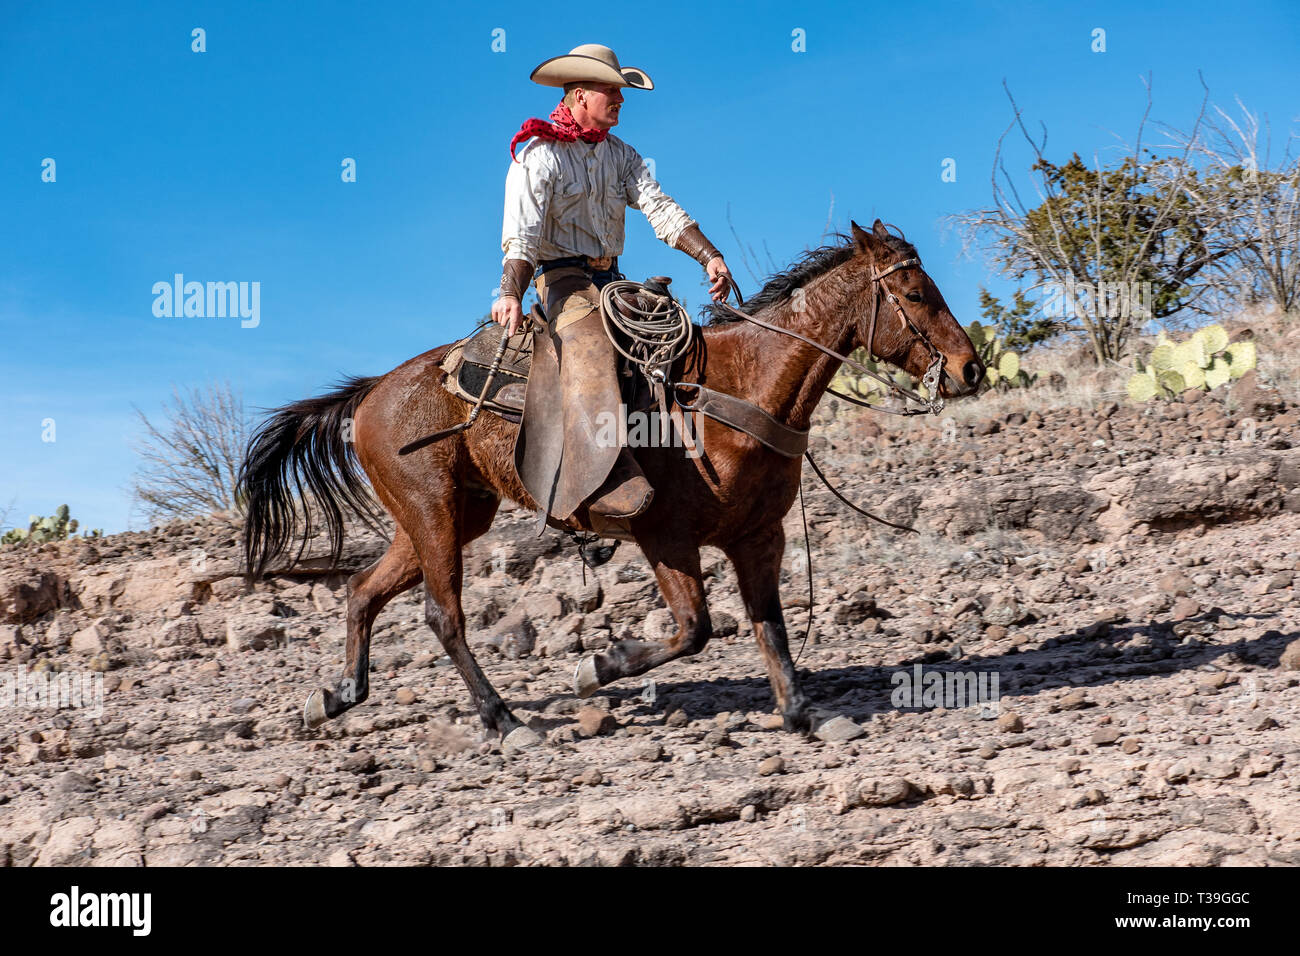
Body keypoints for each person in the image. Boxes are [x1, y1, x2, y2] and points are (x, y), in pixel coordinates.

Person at [494, 43, 730, 525]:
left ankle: (664, 449)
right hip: (560, 279)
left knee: (671, 330)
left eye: (622, 92)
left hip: (611, 278)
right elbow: (523, 233)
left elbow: (660, 207)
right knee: (588, 342)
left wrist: (710, 255)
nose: (621, 100)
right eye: (611, 92)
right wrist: (510, 292)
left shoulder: (623, 156)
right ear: (579, 95)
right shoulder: (538, 155)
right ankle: (596, 473)